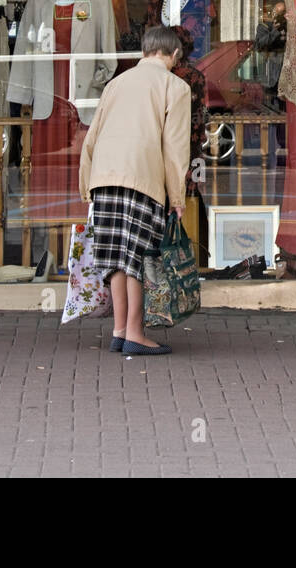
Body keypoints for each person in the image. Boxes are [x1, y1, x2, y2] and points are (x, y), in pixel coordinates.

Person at [79, 26, 190, 356]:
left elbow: (92, 135)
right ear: (174, 55)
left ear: (145, 52)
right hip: (142, 176)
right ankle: (135, 333)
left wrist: (88, 184)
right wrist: (177, 197)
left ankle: (119, 331)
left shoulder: (116, 83)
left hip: (104, 175)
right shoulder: (175, 86)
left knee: (115, 256)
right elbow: (174, 148)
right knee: (138, 258)